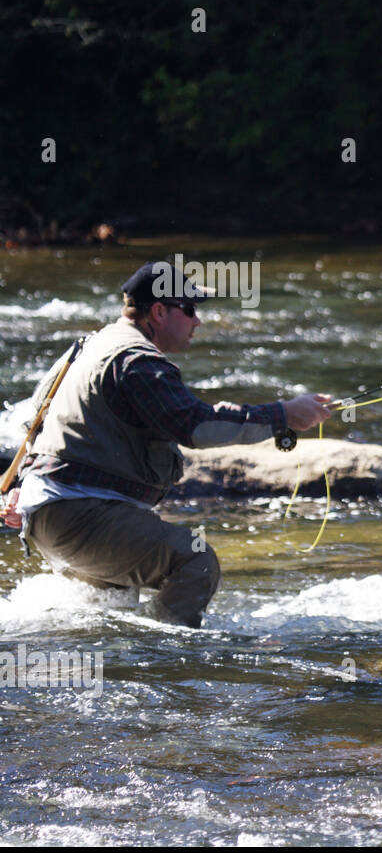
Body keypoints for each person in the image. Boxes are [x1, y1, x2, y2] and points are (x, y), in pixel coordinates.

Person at [5, 261, 332, 627]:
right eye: (189, 310)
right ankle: (170, 664)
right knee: (195, 560)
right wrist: (282, 415)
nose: (197, 321)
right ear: (159, 311)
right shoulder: (137, 361)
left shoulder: (89, 345)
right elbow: (196, 426)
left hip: (49, 513)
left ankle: (130, 665)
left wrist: (22, 487)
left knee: (112, 608)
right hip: (78, 514)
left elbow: (32, 419)